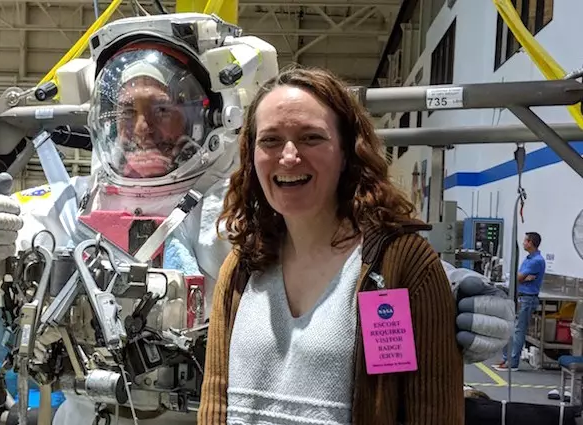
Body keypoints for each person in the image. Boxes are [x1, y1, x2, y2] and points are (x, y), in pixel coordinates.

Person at [0, 14, 513, 425]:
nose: (142, 128)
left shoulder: (235, 211)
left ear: (207, 114)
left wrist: (446, 296)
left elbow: (336, 259)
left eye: (162, 109)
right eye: (125, 111)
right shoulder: (63, 206)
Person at [197, 67, 464, 424]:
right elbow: (215, 402)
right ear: (252, 155)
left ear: (347, 153)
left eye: (311, 138)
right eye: (271, 140)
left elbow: (432, 413)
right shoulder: (244, 265)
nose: (289, 157)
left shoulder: (394, 267)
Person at [494, 231, 546, 371]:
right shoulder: (529, 259)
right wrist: (521, 277)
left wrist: (520, 277)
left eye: (525, 241)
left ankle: (512, 363)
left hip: (527, 299)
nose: (523, 243)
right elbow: (519, 277)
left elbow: (517, 278)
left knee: (518, 331)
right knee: (511, 328)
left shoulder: (536, 261)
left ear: (531, 243)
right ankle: (507, 359)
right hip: (521, 297)